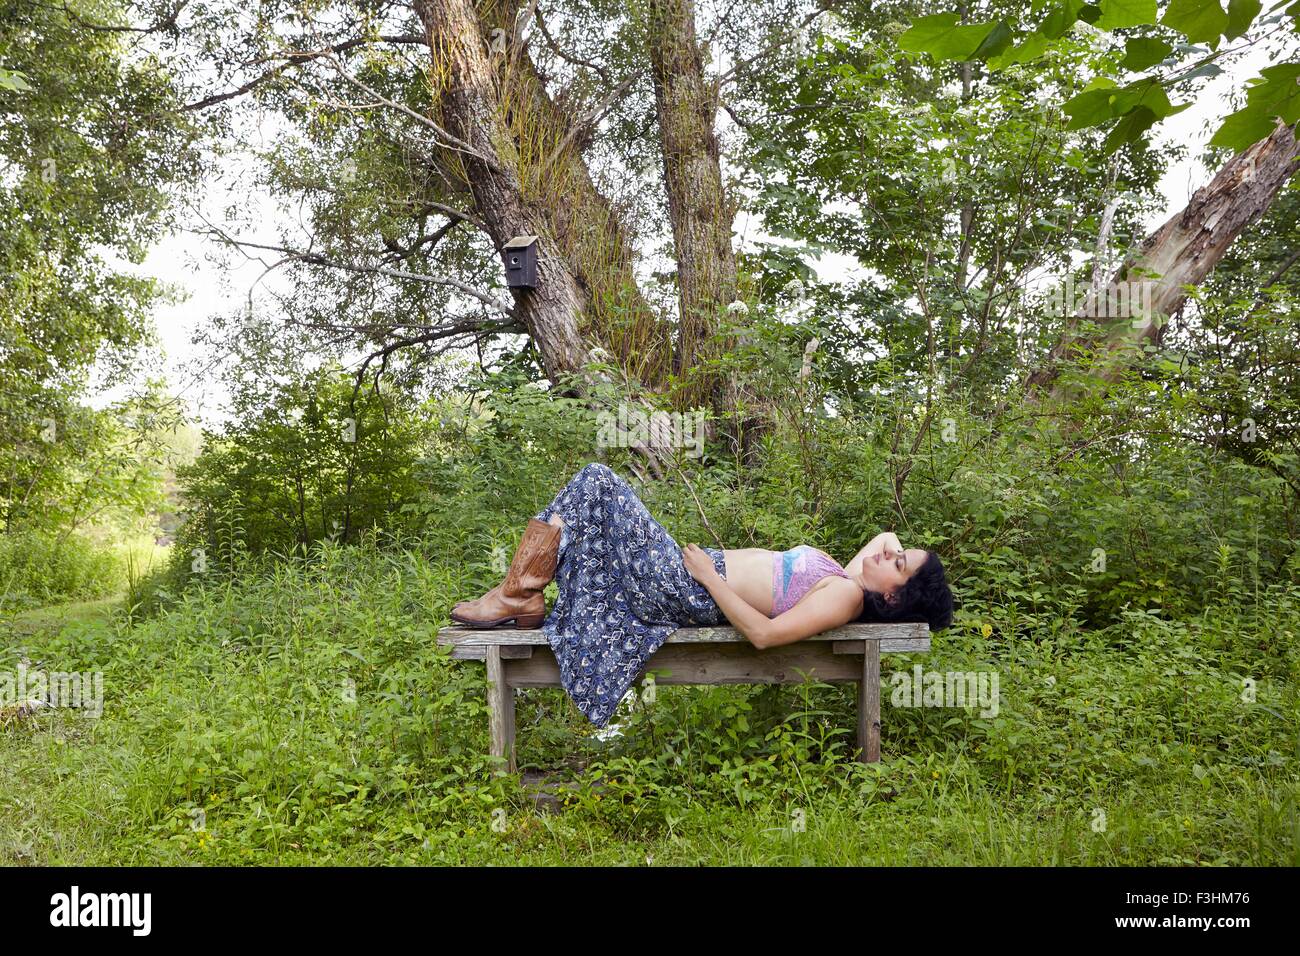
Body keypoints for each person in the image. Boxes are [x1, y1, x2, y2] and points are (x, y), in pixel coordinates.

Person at [450, 462, 954, 727]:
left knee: (597, 483)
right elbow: (886, 536)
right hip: (690, 574)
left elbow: (765, 634)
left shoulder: (844, 598)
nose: (890, 553)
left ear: (891, 600)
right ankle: (521, 594)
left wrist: (709, 578)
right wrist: (904, 569)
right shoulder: (850, 580)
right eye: (898, 555)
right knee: (592, 490)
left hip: (689, 586)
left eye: (898, 565)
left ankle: (519, 594)